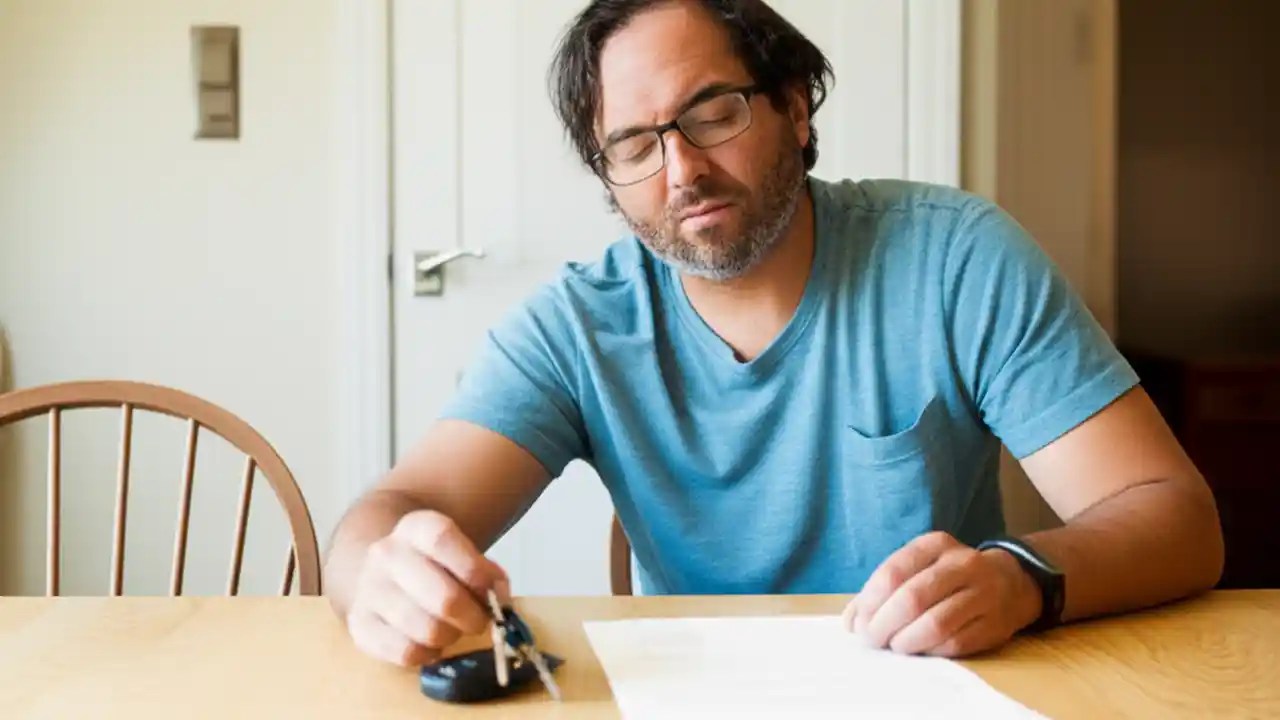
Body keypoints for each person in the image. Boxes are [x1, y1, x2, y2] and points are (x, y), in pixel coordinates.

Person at [324, 0, 1224, 666]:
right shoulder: (579, 325)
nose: (681, 171)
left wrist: (1022, 576)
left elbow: (1176, 519)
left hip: (936, 687)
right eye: (635, 145)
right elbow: (386, 517)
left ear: (796, 107)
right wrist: (382, 579)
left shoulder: (956, 261)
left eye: (714, 112)